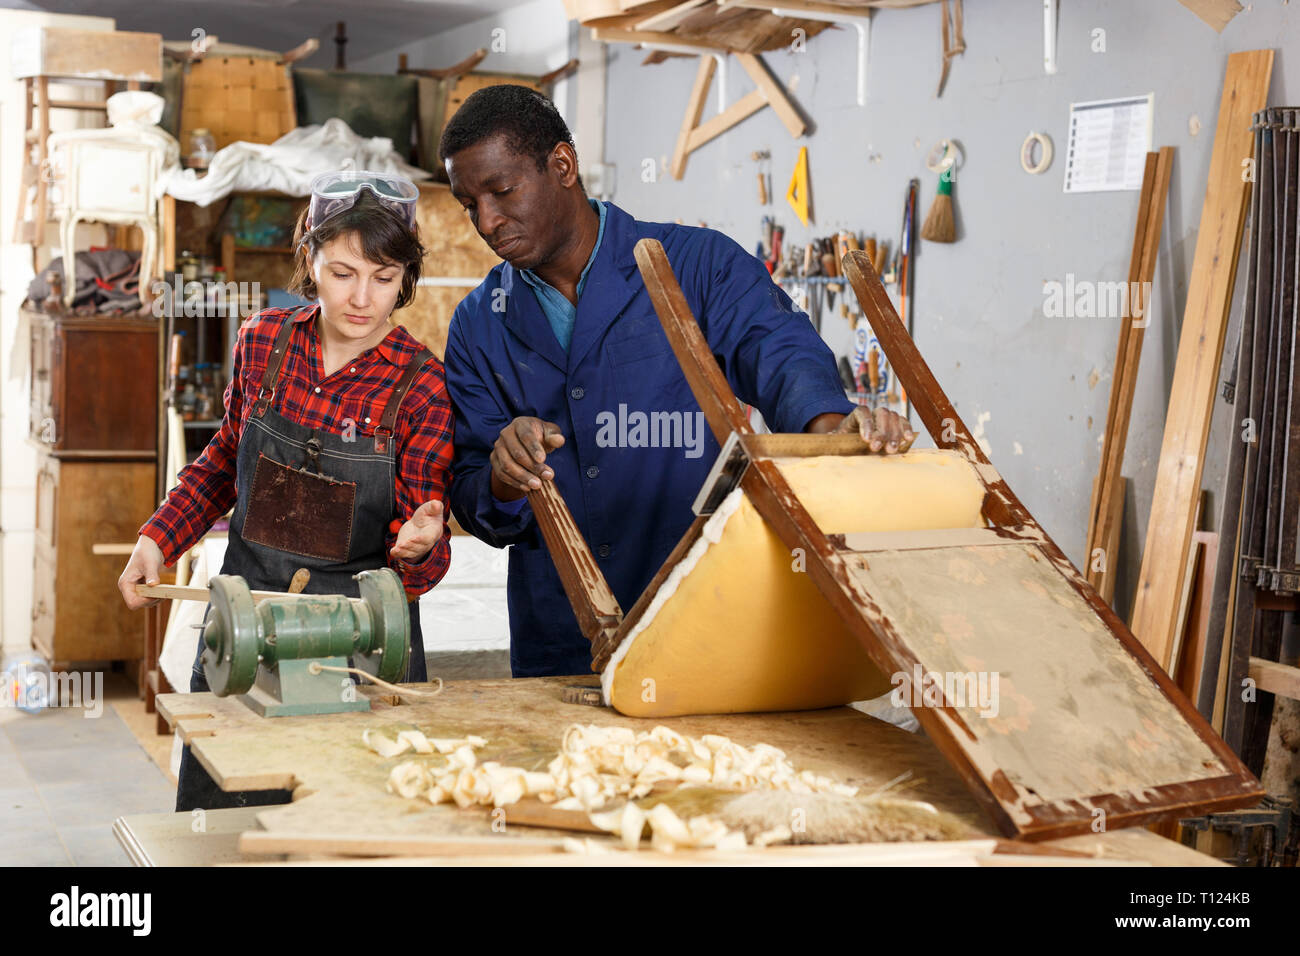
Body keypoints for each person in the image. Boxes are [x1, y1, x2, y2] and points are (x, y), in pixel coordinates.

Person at [439, 86, 914, 679]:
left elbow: (778, 351)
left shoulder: (698, 264)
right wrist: (503, 480)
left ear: (562, 165)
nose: (487, 221)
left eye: (502, 192)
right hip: (564, 637)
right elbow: (472, 491)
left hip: (705, 609)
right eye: (468, 204)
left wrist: (831, 430)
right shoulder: (478, 322)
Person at [118, 170, 453, 811]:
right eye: (342, 273)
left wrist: (416, 547)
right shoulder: (264, 341)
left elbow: (422, 557)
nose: (362, 298)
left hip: (358, 649)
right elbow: (223, 461)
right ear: (309, 257)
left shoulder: (423, 386)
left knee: (345, 825)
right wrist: (158, 538)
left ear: (405, 279)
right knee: (221, 827)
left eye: (384, 279)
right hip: (249, 628)